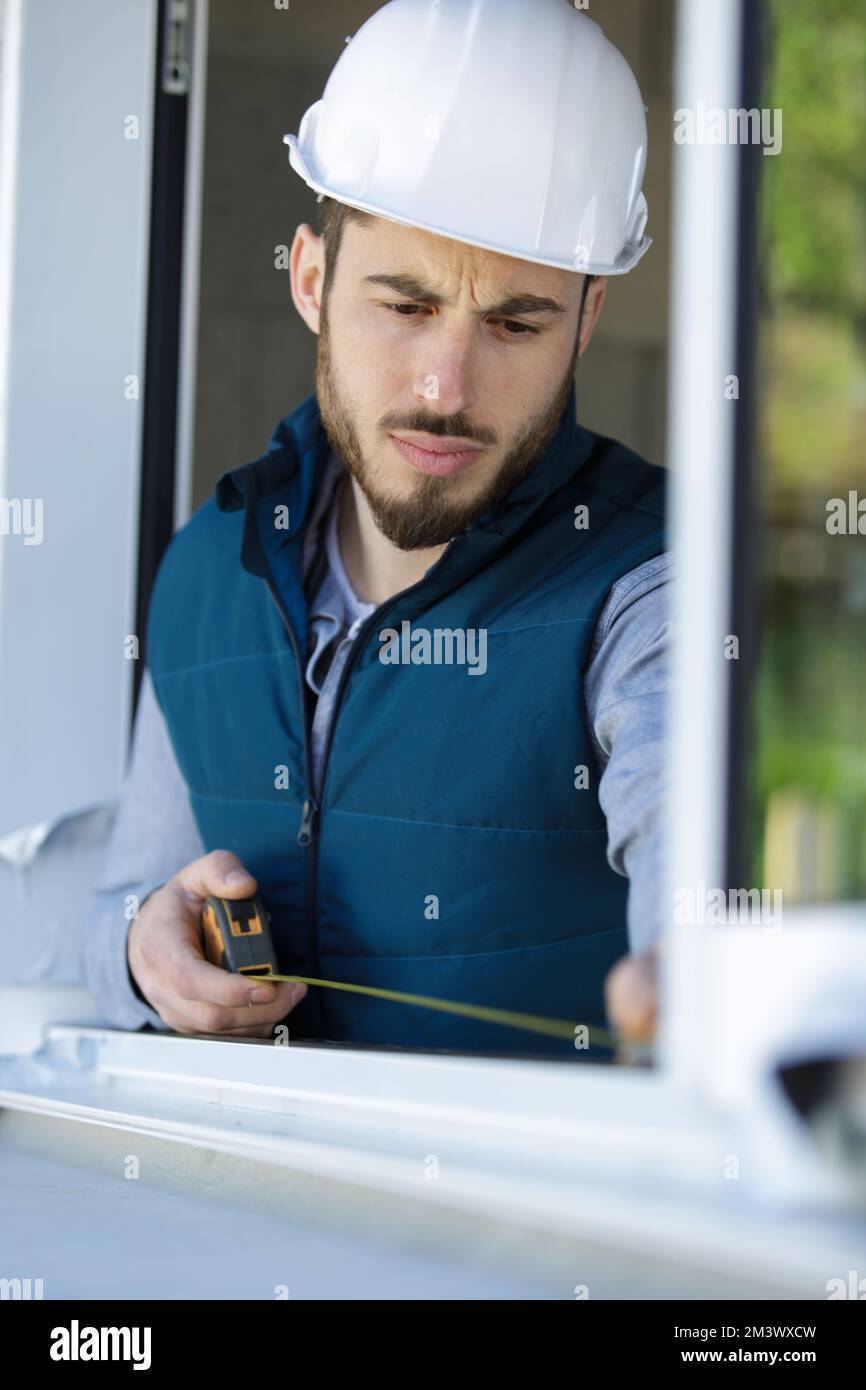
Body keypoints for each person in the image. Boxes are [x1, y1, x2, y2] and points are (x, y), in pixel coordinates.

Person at [83, 0, 667, 1055]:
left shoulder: (651, 585)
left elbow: (693, 863)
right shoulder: (211, 570)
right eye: (402, 305)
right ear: (311, 279)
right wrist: (140, 948)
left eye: (513, 322)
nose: (446, 387)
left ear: (584, 321)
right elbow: (122, 899)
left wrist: (701, 969)